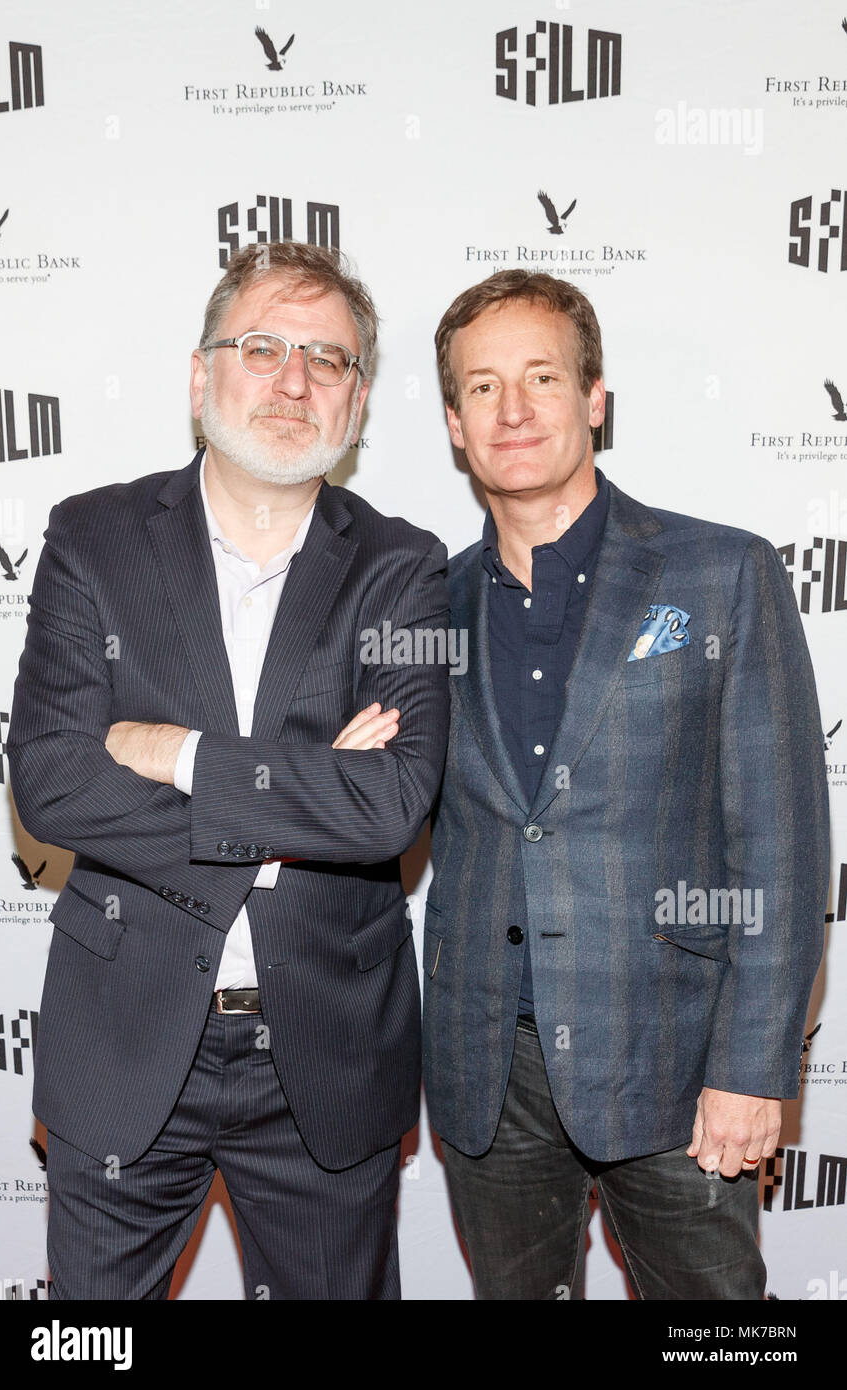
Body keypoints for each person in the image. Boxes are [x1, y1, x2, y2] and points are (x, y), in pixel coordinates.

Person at [7, 240, 450, 1300]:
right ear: (200, 373)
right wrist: (302, 794)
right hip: (123, 1043)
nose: (293, 381)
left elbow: (389, 805)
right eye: (261, 348)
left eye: (328, 360)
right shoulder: (93, 537)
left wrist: (176, 754)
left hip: (329, 1062)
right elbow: (55, 785)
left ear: (355, 402)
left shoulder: (403, 566)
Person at [421, 269, 828, 1300]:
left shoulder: (718, 573)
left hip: (678, 1058)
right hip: (486, 1068)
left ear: (593, 399)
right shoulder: (427, 603)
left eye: (540, 377)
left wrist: (751, 1068)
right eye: (480, 387)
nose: (511, 410)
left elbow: (781, 850)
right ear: (455, 426)